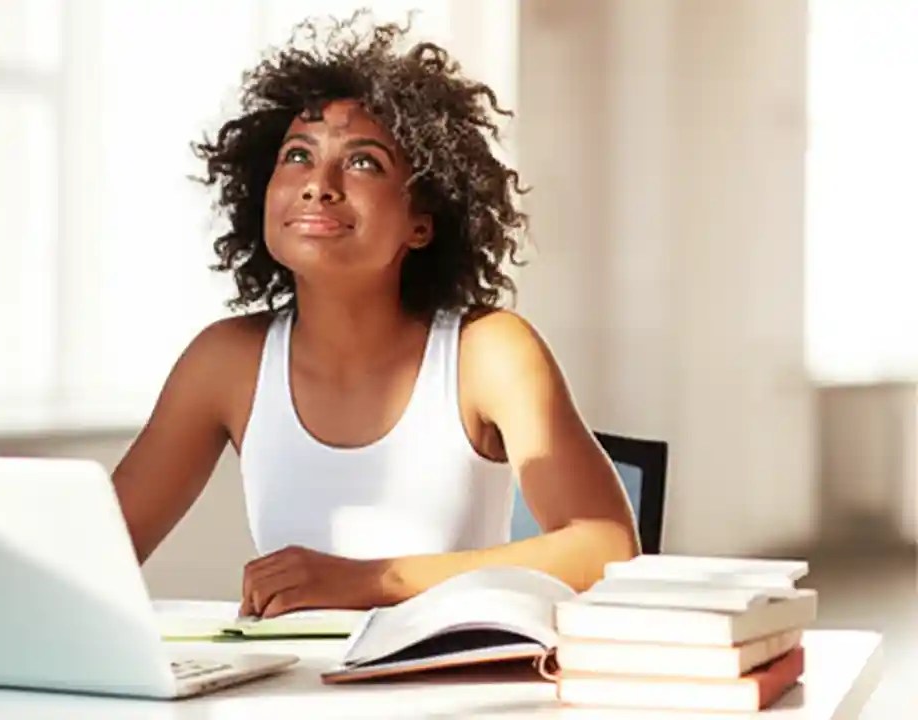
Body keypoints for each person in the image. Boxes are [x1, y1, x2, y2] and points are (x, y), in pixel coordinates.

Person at [111, 14, 637, 619]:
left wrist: (375, 580)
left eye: (363, 163)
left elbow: (605, 548)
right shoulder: (224, 361)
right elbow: (96, 559)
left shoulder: (487, 352)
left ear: (423, 221)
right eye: (298, 156)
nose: (318, 185)